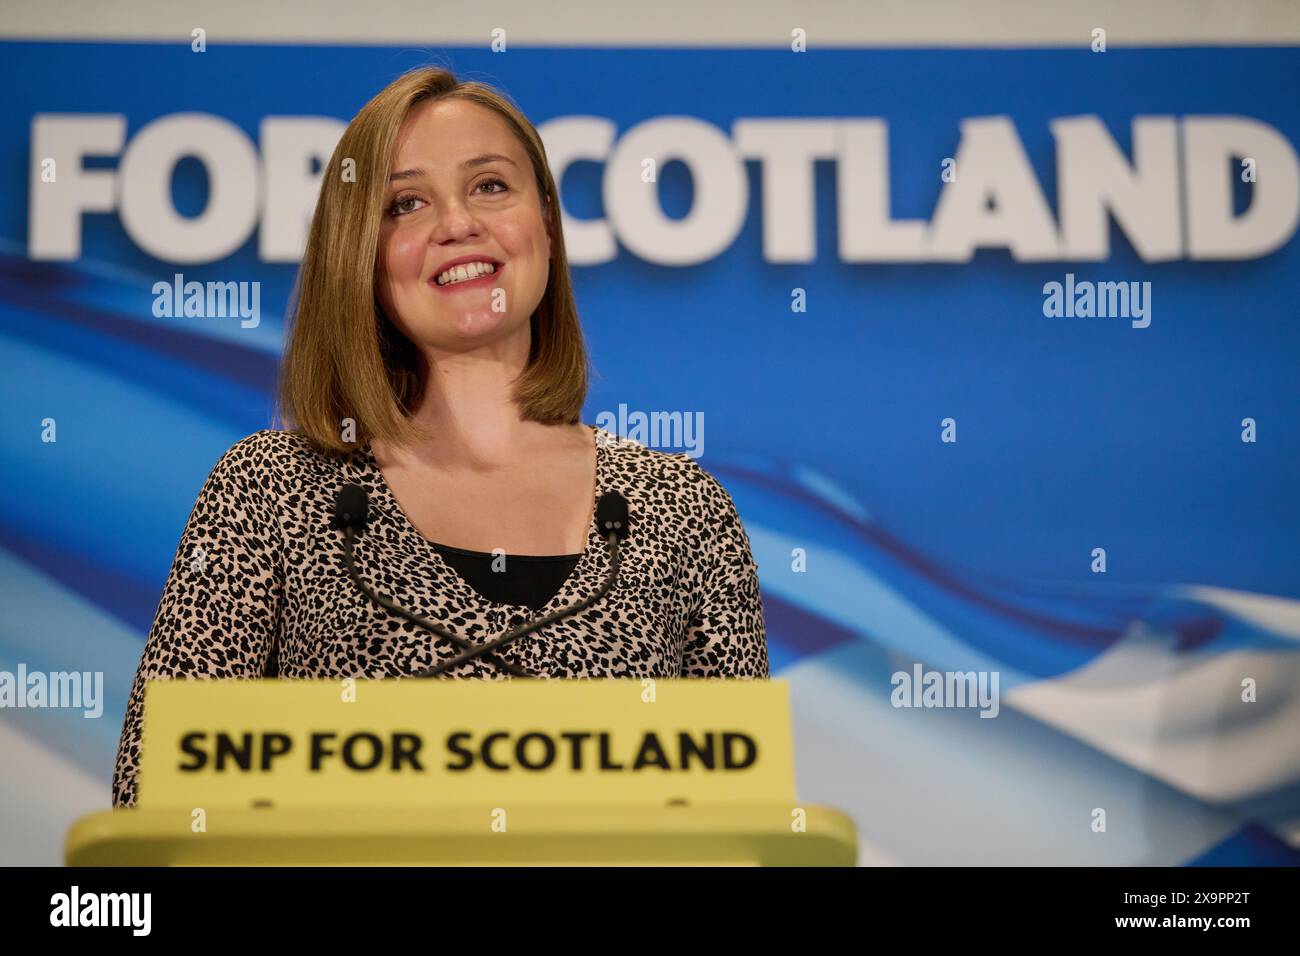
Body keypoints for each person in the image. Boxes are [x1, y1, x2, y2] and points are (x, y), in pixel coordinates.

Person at [111, 66, 768, 809]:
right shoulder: (269, 489)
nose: (457, 223)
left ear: (546, 226)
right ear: (359, 255)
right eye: (406, 203)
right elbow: (154, 800)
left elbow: (742, 821)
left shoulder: (682, 510)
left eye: (490, 186)